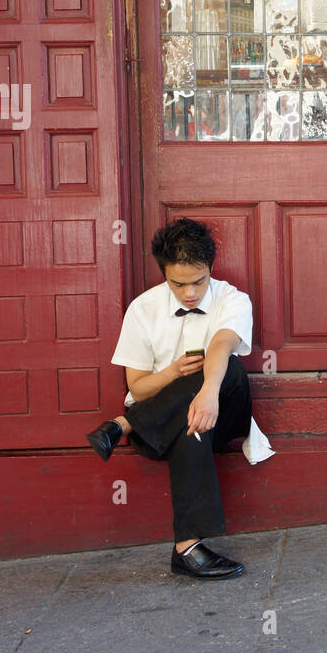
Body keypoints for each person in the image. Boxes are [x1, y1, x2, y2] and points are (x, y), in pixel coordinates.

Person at [82, 217, 259, 580]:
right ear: (163, 273)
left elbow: (224, 344)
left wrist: (208, 391)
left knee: (228, 367)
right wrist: (173, 373)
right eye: (178, 284)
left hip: (222, 413)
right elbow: (139, 388)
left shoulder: (232, 299)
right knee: (189, 426)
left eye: (198, 281)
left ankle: (123, 425)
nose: (190, 293)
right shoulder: (142, 309)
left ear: (211, 267)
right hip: (160, 430)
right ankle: (188, 549)